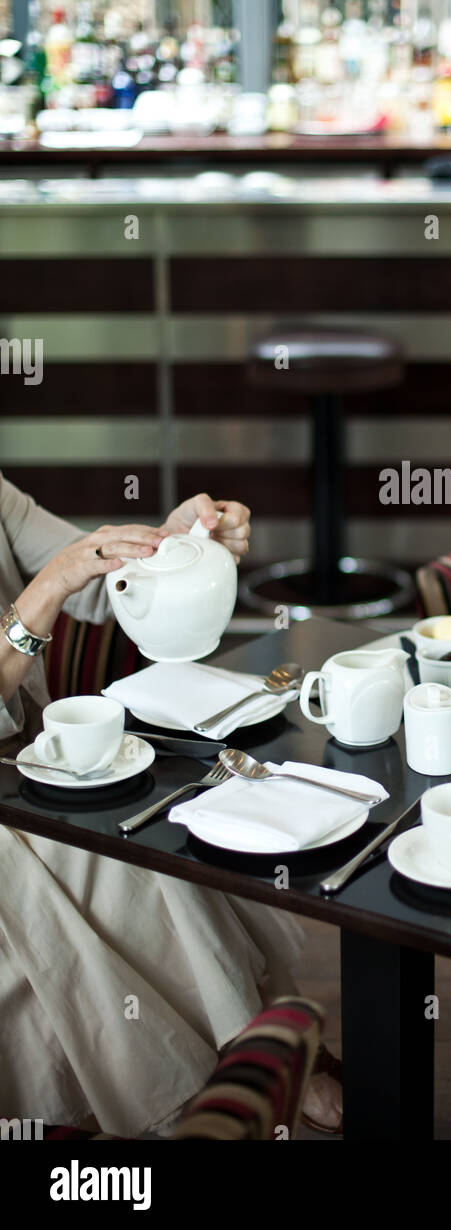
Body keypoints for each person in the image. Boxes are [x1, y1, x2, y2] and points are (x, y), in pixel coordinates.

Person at [0, 474, 341, 1136]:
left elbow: (102, 583)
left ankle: (247, 1049)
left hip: (20, 761)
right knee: (113, 847)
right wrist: (46, 590)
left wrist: (174, 541)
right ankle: (210, 1079)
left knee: (154, 808)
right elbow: (64, 578)